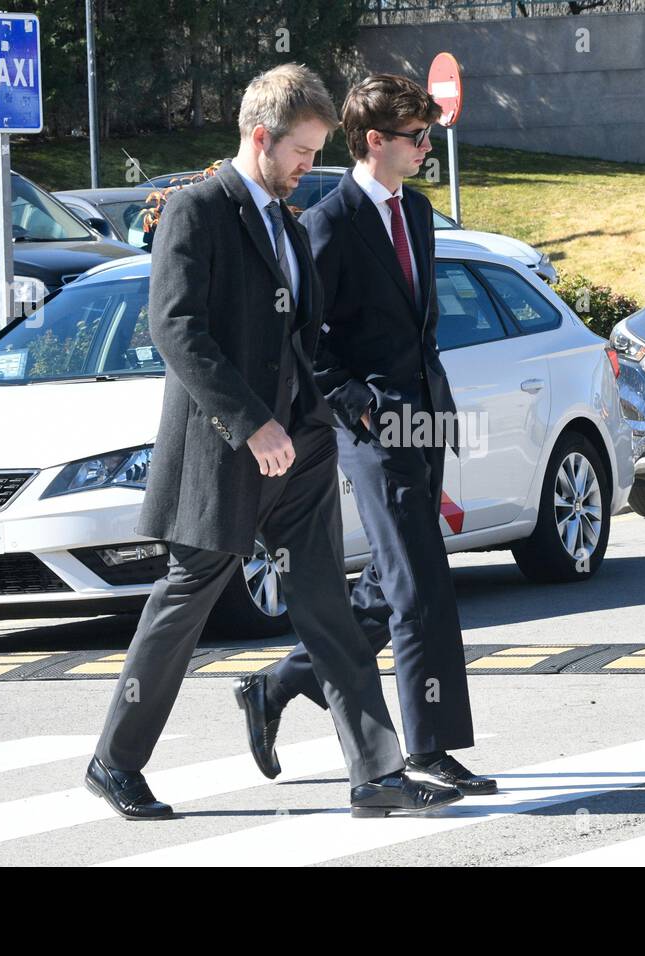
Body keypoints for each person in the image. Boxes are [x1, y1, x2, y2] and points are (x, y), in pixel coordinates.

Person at [85, 64, 461, 821]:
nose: (310, 167)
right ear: (262, 137)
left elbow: (301, 341)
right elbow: (177, 329)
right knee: (185, 602)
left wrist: (314, 421)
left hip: (301, 449)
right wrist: (250, 420)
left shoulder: (290, 225)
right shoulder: (198, 210)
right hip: (222, 451)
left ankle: (377, 775)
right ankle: (113, 761)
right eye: (302, 152)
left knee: (326, 607)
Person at [235, 74, 496, 796]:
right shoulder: (329, 222)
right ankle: (429, 747)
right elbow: (305, 339)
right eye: (416, 136)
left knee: (386, 586)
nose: (426, 148)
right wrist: (359, 405)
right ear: (374, 140)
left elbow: (418, 323)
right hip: (372, 426)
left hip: (426, 418)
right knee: (419, 587)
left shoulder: (417, 212)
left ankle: (278, 683)